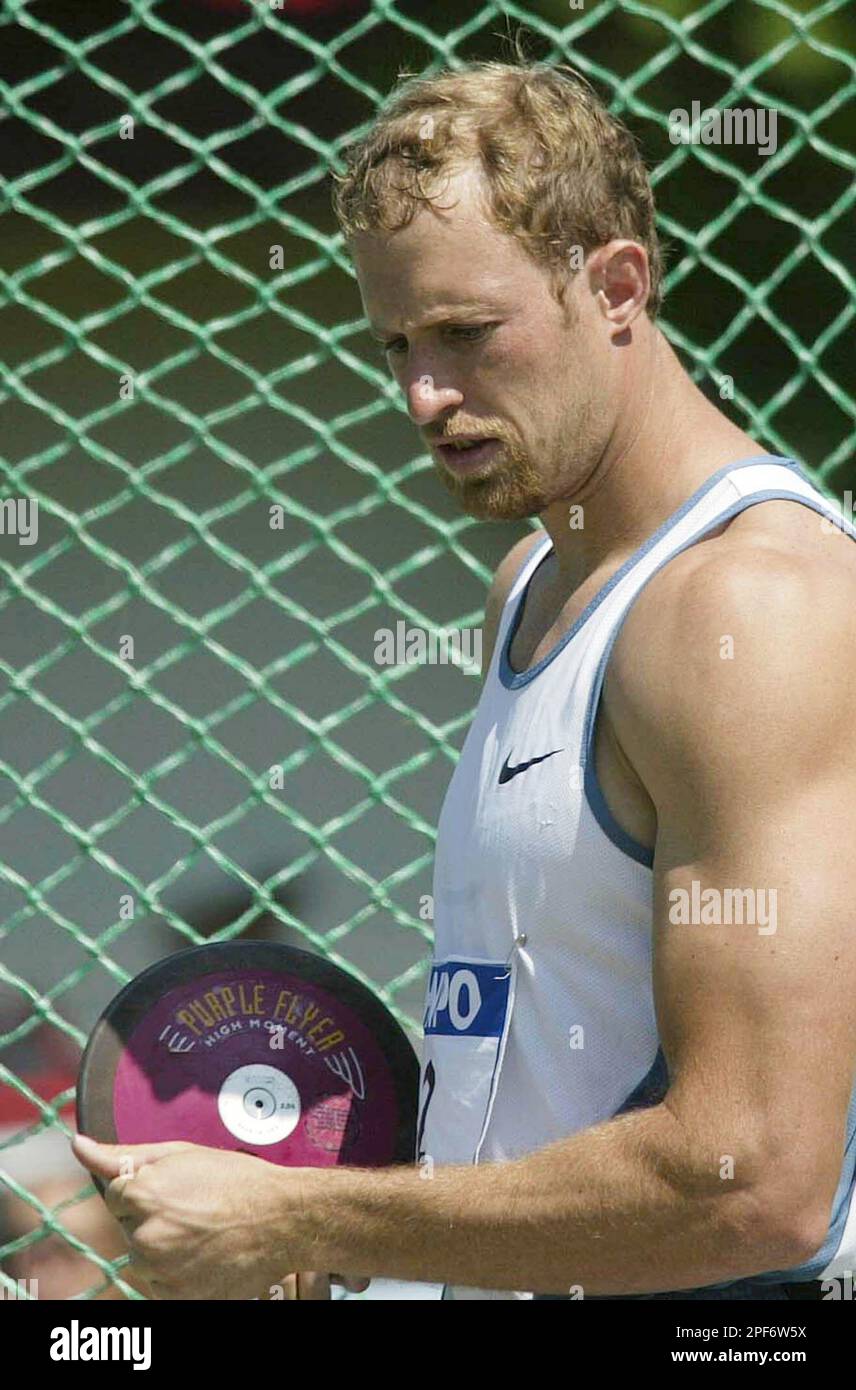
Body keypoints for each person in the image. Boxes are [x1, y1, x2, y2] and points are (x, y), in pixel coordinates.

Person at [72, 56, 856, 1301]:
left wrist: (306, 1214)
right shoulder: (528, 587)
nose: (425, 395)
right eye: (396, 343)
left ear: (616, 285)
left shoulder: (749, 610)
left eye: (466, 334)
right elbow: (531, 1071)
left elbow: (752, 1178)